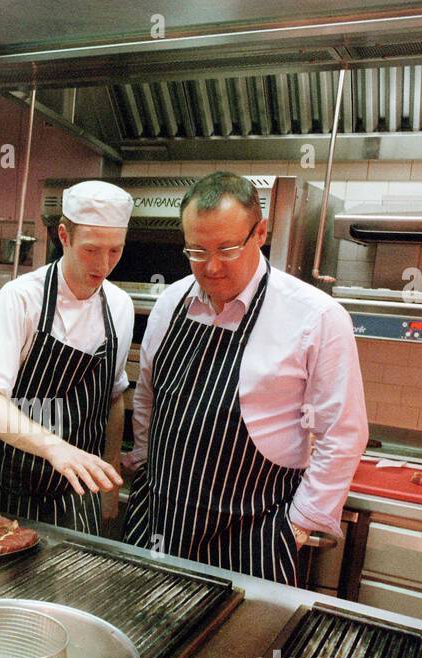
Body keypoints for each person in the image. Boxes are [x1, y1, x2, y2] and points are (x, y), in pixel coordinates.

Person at [123, 171, 368, 584]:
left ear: (260, 233)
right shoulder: (170, 302)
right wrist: (144, 464)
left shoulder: (316, 317)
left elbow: (342, 433)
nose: (212, 267)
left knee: (238, 647)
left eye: (227, 248)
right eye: (197, 251)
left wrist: (297, 525)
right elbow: (148, 397)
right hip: (159, 525)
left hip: (251, 538)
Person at [0, 180, 134, 533]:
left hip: (79, 494)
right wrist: (54, 447)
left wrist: (110, 482)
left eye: (115, 251)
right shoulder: (21, 299)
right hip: (12, 489)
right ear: (64, 236)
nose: (103, 265)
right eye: (91, 250)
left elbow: (114, 399)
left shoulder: (120, 306)